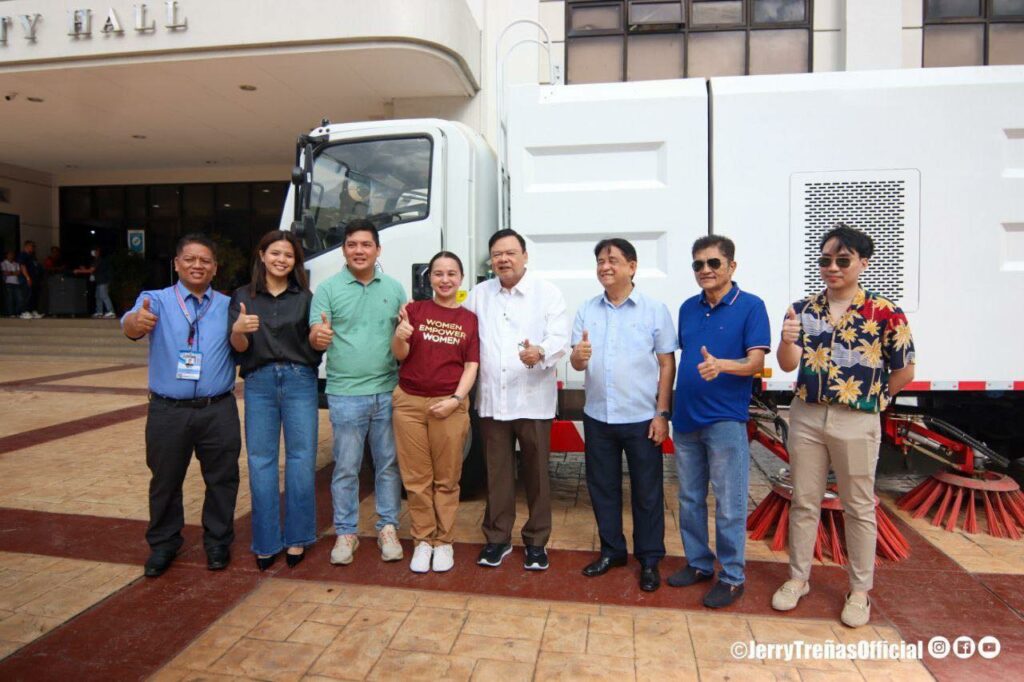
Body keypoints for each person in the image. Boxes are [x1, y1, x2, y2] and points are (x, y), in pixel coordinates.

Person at [772, 224, 915, 628]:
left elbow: (904, 370)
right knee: (804, 500)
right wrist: (786, 339)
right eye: (825, 260)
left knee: (858, 505)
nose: (832, 267)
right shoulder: (802, 309)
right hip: (806, 415)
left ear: (862, 263)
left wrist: (874, 402)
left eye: (842, 260)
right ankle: (798, 579)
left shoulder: (885, 313)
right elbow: (787, 363)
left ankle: (859, 591)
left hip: (857, 419)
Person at [121, 233, 241, 577]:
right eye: (190, 259)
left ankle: (217, 541)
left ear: (215, 268)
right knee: (165, 480)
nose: (197, 265)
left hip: (217, 409)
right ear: (176, 264)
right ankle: (164, 543)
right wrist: (134, 323)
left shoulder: (228, 304)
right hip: (167, 411)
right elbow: (130, 324)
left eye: (205, 260)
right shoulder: (154, 300)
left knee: (222, 479)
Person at [668, 235, 771, 609]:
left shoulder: (751, 306)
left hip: (725, 420)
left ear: (732, 266)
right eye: (698, 264)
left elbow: (756, 363)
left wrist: (722, 365)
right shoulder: (687, 308)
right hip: (686, 419)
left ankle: (731, 576)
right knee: (690, 497)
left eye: (713, 263)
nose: (705, 270)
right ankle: (698, 563)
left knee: (729, 502)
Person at [571, 238, 677, 592]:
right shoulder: (587, 309)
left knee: (647, 493)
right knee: (603, 489)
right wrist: (579, 357)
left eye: (613, 260)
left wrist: (662, 413)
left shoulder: (653, 309)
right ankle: (612, 550)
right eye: (600, 260)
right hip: (599, 416)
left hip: (641, 418)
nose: (605, 267)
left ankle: (649, 560)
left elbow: (666, 363)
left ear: (632, 266)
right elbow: (576, 359)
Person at [465, 228, 569, 570]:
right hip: (493, 401)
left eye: (510, 252)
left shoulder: (547, 293)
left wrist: (540, 351)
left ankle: (537, 542)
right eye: (497, 254)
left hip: (532, 400)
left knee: (537, 475)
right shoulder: (479, 294)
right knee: (497, 473)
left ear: (525, 256)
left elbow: (560, 338)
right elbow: (462, 336)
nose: (503, 259)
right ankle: (497, 539)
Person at [308, 219, 406, 566]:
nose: (359, 251)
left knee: (388, 466)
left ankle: (388, 527)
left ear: (378, 249)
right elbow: (315, 333)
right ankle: (346, 532)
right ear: (344, 250)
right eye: (352, 245)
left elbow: (401, 337)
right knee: (347, 467)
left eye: (366, 244)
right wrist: (318, 337)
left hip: (387, 390)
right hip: (345, 393)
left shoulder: (394, 288)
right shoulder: (328, 289)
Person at [229, 230, 321, 571]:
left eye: (288, 255)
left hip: (300, 380)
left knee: (301, 458)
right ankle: (266, 541)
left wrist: (320, 338)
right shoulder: (242, 296)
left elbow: (315, 343)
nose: (281, 259)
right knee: (261, 460)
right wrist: (239, 329)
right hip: (259, 381)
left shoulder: (306, 297)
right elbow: (238, 349)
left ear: (295, 261)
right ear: (262, 255)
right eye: (275, 253)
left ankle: (297, 537)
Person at [391, 251, 479, 573]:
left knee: (447, 479)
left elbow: (471, 365)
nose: (445, 280)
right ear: (429, 278)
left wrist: (456, 398)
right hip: (410, 404)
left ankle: (444, 542)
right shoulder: (414, 310)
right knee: (416, 480)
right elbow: (400, 354)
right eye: (438, 274)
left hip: (449, 406)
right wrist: (400, 336)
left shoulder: (469, 319)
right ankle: (423, 540)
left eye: (451, 274)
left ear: (460, 279)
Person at [74, 247, 116, 318]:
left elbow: (91, 270)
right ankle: (99, 312)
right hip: (99, 281)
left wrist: (78, 271)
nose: (93, 252)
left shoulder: (98, 260)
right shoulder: (96, 260)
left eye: (94, 250)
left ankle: (111, 311)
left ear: (98, 252)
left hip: (103, 281)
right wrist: (84, 269)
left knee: (104, 295)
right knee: (98, 296)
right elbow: (93, 270)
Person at [17, 241, 44, 319]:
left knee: (34, 296)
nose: (33, 248)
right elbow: (22, 266)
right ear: (27, 246)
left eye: (34, 246)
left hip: (34, 279)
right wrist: (27, 277)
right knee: (26, 295)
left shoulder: (32, 257)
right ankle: (24, 312)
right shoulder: (23, 255)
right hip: (26, 279)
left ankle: (33, 311)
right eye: (32, 246)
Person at [2, 250, 24, 317]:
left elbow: (19, 272)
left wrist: (10, 272)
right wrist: (13, 273)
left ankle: (17, 312)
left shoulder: (16, 263)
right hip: (8, 283)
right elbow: (5, 273)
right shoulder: (3, 263)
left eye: (13, 254)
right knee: (10, 299)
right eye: (10, 254)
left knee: (19, 298)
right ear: (7, 255)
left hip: (16, 283)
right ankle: (11, 313)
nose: (12, 255)